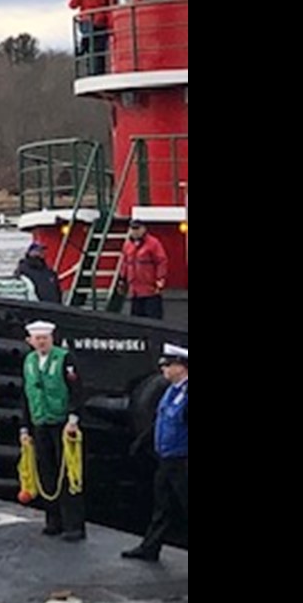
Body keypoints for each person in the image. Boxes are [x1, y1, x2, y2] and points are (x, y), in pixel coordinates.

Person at [19, 320, 85, 541]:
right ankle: (53, 520)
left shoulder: (65, 359)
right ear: (30, 341)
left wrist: (73, 417)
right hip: (40, 421)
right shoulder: (29, 361)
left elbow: (76, 390)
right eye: (37, 339)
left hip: (61, 423)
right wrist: (25, 426)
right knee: (46, 471)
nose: (41, 342)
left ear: (51, 338)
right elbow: (27, 395)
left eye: (44, 338)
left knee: (68, 474)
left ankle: (73, 525)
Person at [123, 343, 188, 561]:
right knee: (162, 505)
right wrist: (142, 442)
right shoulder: (171, 391)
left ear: (181, 367)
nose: (164, 370)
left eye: (168, 365)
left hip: (182, 459)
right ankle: (150, 547)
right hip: (167, 458)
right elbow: (161, 420)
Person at [68, 0, 112, 76]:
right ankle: (89, 66)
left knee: (98, 49)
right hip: (87, 22)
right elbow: (72, 5)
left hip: (100, 22)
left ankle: (98, 71)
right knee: (91, 44)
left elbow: (109, 6)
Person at [120, 220, 169, 319]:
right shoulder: (128, 245)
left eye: (137, 229)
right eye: (132, 229)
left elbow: (161, 261)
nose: (135, 232)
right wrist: (122, 280)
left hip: (151, 290)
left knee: (153, 319)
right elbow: (125, 263)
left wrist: (160, 279)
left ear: (144, 229)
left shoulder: (153, 243)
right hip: (135, 291)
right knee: (137, 320)